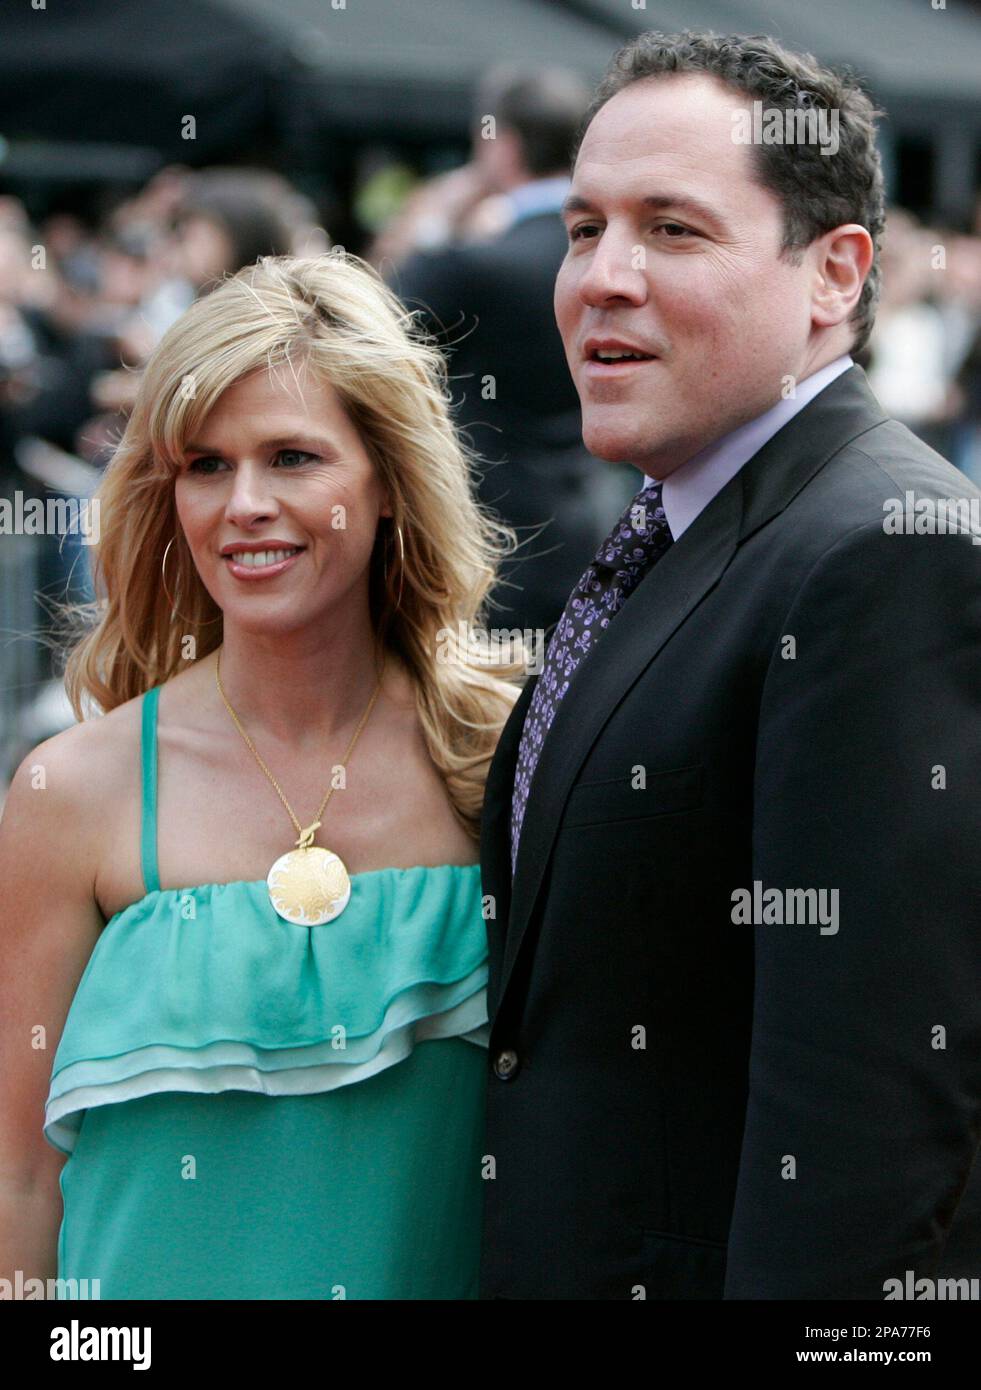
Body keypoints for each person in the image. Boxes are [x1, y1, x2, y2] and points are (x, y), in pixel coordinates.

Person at [478, 30, 981, 1299]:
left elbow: (869, 1114)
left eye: (673, 230)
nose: (602, 278)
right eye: (584, 228)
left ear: (834, 274)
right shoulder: (678, 517)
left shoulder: (883, 553)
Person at [0, 253, 522, 1299]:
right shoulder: (74, 792)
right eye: (204, 464)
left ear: (389, 484)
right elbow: (17, 1180)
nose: (243, 504)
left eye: (292, 457)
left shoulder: (502, 753)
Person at [391, 66, 633, 637]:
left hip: (485, 536)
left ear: (502, 146)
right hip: (595, 523)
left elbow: (370, 342)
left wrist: (435, 221)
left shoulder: (471, 264)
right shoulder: (618, 261)